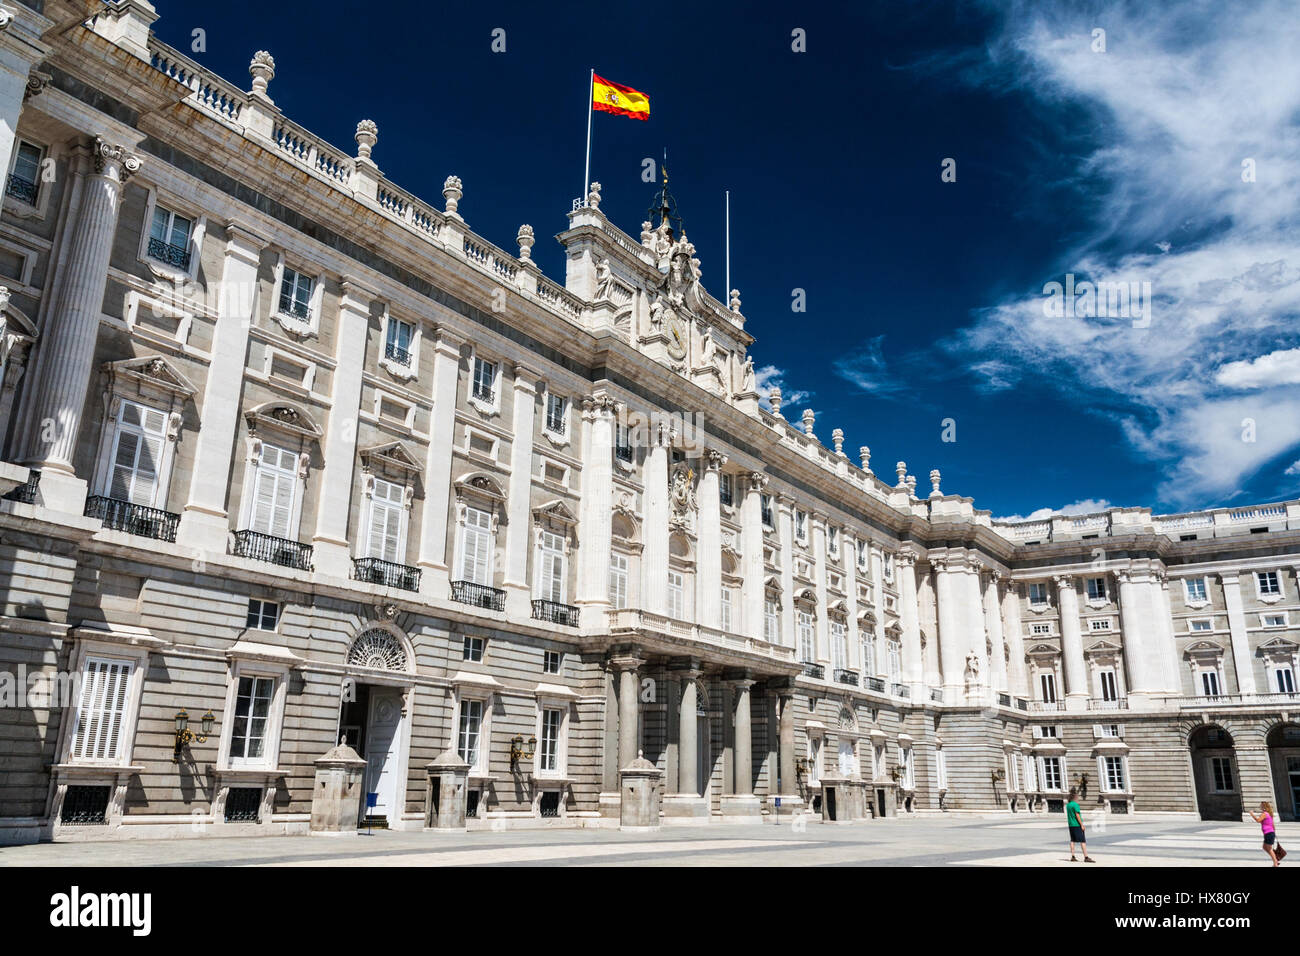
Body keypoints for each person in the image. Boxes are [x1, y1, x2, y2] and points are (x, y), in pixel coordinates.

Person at [1249, 802, 1280, 866]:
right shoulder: (1268, 814)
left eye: (1261, 806)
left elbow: (1258, 820)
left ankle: (1275, 863)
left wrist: (1252, 814)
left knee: (1269, 849)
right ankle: (1275, 860)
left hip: (1269, 833)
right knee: (1265, 847)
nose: (1260, 807)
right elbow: (1269, 824)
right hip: (1269, 833)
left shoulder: (1264, 814)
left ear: (1264, 807)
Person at [1067, 789, 1095, 862]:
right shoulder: (1075, 805)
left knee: (1072, 840)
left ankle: (1073, 856)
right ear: (1075, 797)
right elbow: (1077, 815)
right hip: (1077, 825)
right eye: (1077, 797)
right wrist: (1082, 825)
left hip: (1071, 825)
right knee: (1083, 841)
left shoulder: (1068, 805)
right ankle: (1086, 857)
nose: (1078, 799)